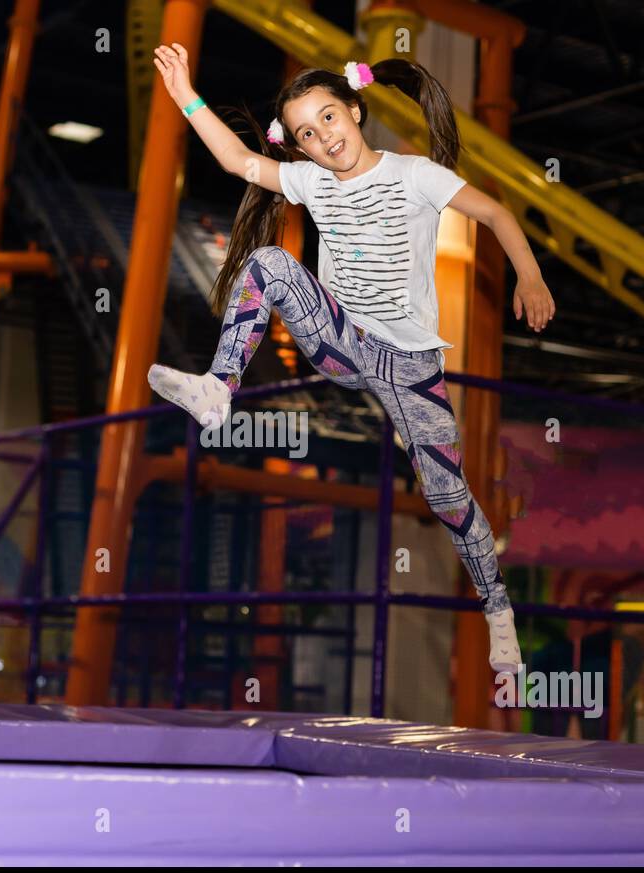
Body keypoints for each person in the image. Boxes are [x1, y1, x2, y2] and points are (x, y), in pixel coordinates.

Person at [147, 44, 555, 672]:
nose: (323, 138)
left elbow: (496, 212)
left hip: (411, 368)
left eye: (329, 119)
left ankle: (498, 610)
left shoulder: (415, 175)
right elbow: (235, 159)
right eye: (307, 133)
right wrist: (185, 96)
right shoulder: (310, 182)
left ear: (356, 111)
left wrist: (529, 277)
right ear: (301, 147)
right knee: (267, 263)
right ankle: (218, 387)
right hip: (342, 342)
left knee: (448, 498)